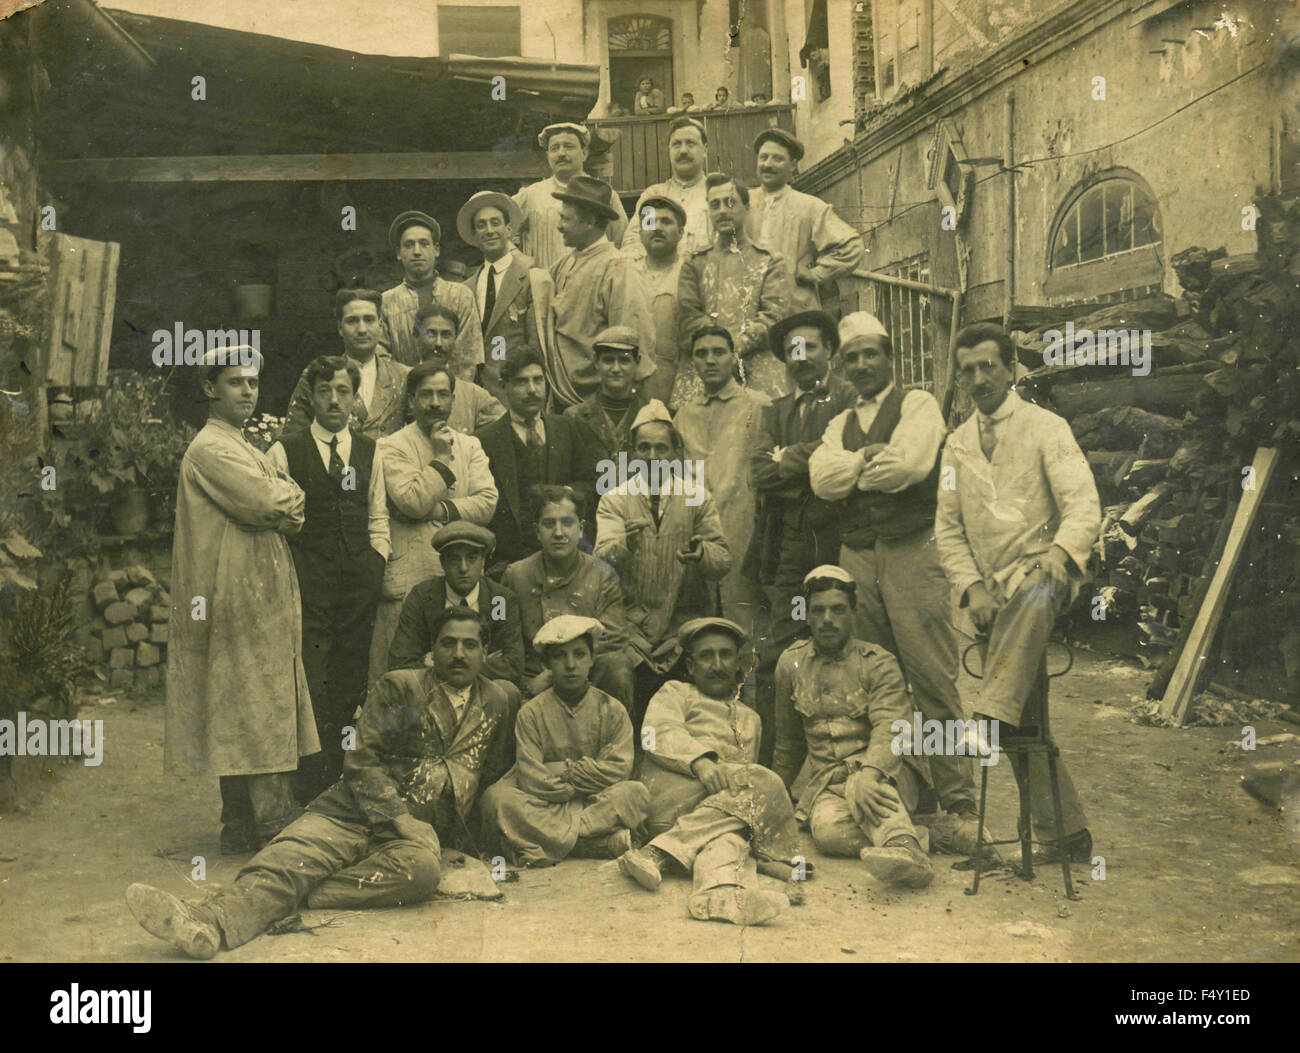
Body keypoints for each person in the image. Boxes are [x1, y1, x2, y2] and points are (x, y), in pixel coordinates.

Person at [127, 608, 513, 959]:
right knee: (290, 858)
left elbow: (490, 772)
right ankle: (205, 922)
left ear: (485, 652)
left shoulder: (497, 701)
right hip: (351, 814)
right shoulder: (402, 687)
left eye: (469, 645)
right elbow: (361, 760)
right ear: (432, 649)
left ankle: (300, 892)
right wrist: (400, 817)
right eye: (448, 643)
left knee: (423, 874)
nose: (458, 654)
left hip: (411, 843)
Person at [808, 311, 980, 838]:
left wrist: (855, 469)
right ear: (843, 364)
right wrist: (866, 461)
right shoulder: (839, 421)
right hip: (858, 554)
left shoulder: (919, 404)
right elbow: (822, 479)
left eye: (870, 355)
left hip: (912, 550)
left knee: (931, 674)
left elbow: (908, 466)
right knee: (873, 677)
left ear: (888, 357)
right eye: (852, 358)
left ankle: (958, 797)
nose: (861, 365)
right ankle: (898, 790)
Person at [934, 323, 1100, 864]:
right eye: (968, 370)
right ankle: (1065, 833)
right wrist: (971, 587)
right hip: (991, 596)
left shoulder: (1046, 427)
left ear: (1011, 370)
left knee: (1029, 598)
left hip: (1044, 578)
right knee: (1027, 727)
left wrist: (1059, 554)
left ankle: (989, 712)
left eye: (989, 366)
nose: (979, 378)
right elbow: (949, 530)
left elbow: (1083, 506)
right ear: (959, 378)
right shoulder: (956, 444)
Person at [167, 346, 318, 853]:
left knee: (252, 694)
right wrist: (281, 494)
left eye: (253, 383)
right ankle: (268, 820)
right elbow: (267, 501)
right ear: (210, 389)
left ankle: (241, 822)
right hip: (235, 591)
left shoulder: (243, 444)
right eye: (235, 383)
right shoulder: (211, 448)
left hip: (260, 588)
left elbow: (292, 511)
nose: (248, 392)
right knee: (252, 698)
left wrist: (282, 497)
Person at [617, 618, 798, 926]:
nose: (717, 664)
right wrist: (701, 762)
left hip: (712, 817)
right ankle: (658, 850)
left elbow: (740, 796)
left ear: (738, 662)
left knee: (729, 841)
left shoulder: (750, 718)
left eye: (726, 655)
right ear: (689, 665)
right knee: (763, 781)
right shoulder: (675, 692)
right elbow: (656, 732)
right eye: (706, 656)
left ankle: (721, 897)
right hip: (670, 800)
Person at [267, 356, 390, 804]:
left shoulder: (370, 451)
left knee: (350, 677)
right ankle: (309, 783)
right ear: (312, 397)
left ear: (355, 398)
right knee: (310, 676)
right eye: (324, 391)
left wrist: (376, 560)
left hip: (358, 581)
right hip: (308, 581)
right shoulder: (285, 451)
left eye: (342, 391)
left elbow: (378, 514)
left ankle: (342, 780)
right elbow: (274, 517)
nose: (334, 400)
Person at [772, 568, 935, 888]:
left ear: (853, 613)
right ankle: (916, 834)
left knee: (861, 788)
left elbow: (892, 728)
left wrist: (869, 775)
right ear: (806, 614)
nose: (828, 619)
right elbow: (788, 741)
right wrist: (777, 793)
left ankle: (908, 851)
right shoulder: (790, 664)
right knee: (827, 832)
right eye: (818, 611)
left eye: (838, 610)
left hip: (888, 775)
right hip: (827, 784)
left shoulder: (878, 662)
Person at [748, 311, 856, 763]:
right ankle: (776, 761)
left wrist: (788, 457)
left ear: (829, 350)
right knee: (780, 652)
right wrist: (816, 461)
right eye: (793, 350)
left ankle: (848, 757)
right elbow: (758, 470)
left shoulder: (850, 398)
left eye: (811, 346)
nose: (802, 357)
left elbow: (852, 448)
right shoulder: (775, 411)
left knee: (849, 646)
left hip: (842, 538)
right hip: (789, 543)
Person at [594, 400, 730, 713]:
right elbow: (601, 560)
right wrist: (625, 545)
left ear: (674, 452)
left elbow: (723, 560)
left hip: (680, 624)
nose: (653, 457)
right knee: (614, 669)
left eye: (661, 448)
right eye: (644, 448)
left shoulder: (696, 497)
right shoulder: (614, 500)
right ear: (632, 453)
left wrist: (702, 553)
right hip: (629, 625)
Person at [481, 615, 649, 866]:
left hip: (594, 802)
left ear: (592, 659)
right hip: (544, 800)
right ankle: (591, 843)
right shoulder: (531, 712)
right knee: (496, 799)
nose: (571, 664)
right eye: (560, 656)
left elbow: (618, 770)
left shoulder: (612, 709)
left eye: (579, 654)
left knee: (635, 793)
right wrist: (582, 775)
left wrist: (564, 770)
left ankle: (545, 841)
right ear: (547, 663)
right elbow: (530, 776)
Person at [369, 362, 498, 687]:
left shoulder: (470, 446)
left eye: (443, 394)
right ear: (411, 400)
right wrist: (440, 459)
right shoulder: (391, 446)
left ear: (454, 399)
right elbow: (412, 501)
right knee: (405, 677)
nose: (436, 403)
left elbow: (487, 502)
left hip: (459, 578)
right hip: (410, 576)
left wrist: (441, 509)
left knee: (459, 670)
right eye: (426, 395)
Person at [502, 486, 636, 713]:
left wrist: (556, 673)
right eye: (548, 524)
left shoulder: (602, 575)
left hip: (585, 673)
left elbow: (613, 638)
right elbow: (504, 636)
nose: (558, 532)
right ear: (537, 531)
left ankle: (617, 742)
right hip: (534, 675)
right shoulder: (516, 575)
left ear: (581, 529)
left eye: (567, 523)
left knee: (618, 667)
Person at [674, 325, 770, 632]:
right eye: (701, 354)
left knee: (746, 621)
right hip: (698, 537)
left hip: (746, 530)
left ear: (733, 357)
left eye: (719, 352)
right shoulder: (683, 416)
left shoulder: (758, 406)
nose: (710, 360)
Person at [474, 350, 599, 570]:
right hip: (510, 562)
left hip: (565, 554)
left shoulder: (568, 428)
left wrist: (567, 493)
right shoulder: (485, 440)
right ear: (504, 387)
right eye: (522, 382)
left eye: (538, 380)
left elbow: (592, 482)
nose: (532, 390)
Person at [677, 173, 790, 401]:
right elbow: (688, 317)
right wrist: (717, 352)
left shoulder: (770, 261)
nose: (722, 211)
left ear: (746, 208)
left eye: (730, 203)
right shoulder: (694, 263)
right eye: (714, 205)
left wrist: (733, 350)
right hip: (703, 374)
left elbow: (774, 317)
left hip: (759, 374)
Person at [546, 174, 654, 408]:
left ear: (589, 221)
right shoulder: (563, 265)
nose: (559, 226)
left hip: (600, 402)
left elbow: (633, 341)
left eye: (566, 219)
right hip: (562, 399)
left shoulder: (619, 269)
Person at [386, 521, 524, 695]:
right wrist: (478, 661)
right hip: (434, 690)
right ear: (442, 562)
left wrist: (437, 661)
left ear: (483, 561)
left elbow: (512, 664)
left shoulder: (498, 599)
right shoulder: (423, 597)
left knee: (507, 690)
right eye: (454, 559)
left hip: (483, 692)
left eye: (472, 558)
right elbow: (401, 661)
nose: (463, 568)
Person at [747, 128, 864, 314]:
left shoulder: (809, 206)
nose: (768, 164)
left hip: (795, 313)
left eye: (777, 159)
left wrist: (815, 274)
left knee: (799, 344)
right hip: (750, 312)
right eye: (763, 157)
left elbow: (853, 247)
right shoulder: (743, 203)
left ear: (793, 165)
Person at [283, 289, 409, 442]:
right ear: (340, 328)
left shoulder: (403, 377)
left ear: (380, 325)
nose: (362, 329)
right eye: (352, 321)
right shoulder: (317, 374)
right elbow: (293, 438)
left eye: (369, 320)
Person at [457, 190, 545, 393]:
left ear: (509, 229)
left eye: (495, 222)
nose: (489, 230)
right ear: (474, 236)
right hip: (476, 393)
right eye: (481, 225)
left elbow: (536, 347)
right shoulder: (467, 288)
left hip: (516, 392)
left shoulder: (530, 276)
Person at [512, 123, 627, 271]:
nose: (561, 153)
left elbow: (622, 240)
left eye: (568, 146)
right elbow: (501, 228)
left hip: (590, 283)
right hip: (544, 287)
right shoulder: (531, 194)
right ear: (547, 156)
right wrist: (522, 261)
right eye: (554, 148)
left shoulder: (603, 193)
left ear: (584, 153)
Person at [380, 210, 483, 374]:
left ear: (436, 250)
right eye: (409, 245)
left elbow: (467, 356)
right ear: (399, 253)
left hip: (452, 392)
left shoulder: (460, 295)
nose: (417, 251)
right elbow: (382, 359)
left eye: (424, 243)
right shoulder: (386, 302)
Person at [621, 117, 711, 261]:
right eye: (676, 144)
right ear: (668, 151)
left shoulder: (716, 195)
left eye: (690, 143)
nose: (683, 151)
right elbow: (634, 243)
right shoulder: (654, 197)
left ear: (705, 150)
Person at [627, 196, 688, 404]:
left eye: (666, 221)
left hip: (679, 383)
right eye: (650, 222)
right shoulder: (626, 274)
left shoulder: (691, 273)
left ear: (680, 232)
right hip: (631, 386)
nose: (658, 228)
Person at [413, 303, 506, 434]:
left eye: (446, 335)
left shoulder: (473, 395)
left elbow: (507, 427)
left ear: (455, 339)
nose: (439, 343)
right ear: (416, 337)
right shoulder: (400, 383)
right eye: (431, 334)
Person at [562, 326, 650, 463]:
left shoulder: (649, 414)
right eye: (608, 360)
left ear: (637, 362)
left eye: (624, 360)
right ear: (596, 362)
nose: (615, 369)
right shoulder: (574, 417)